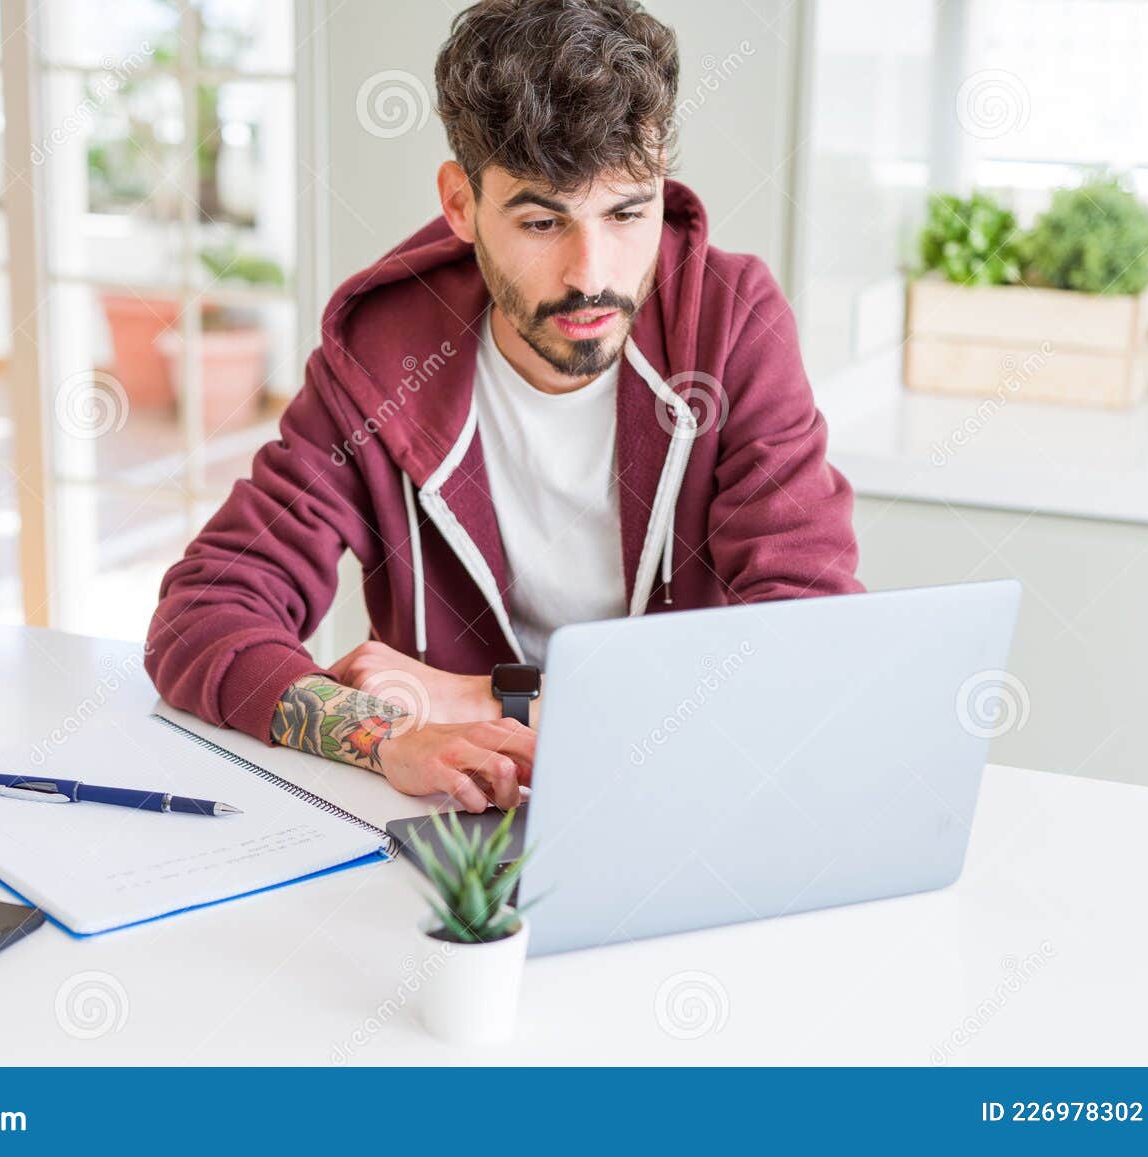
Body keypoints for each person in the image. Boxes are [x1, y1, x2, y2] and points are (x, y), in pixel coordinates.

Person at [145, 0, 861, 814]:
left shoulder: (730, 324)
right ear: (460, 204)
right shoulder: (382, 359)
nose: (592, 273)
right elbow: (201, 614)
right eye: (542, 219)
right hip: (458, 825)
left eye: (627, 213)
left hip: (686, 802)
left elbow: (810, 643)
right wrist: (386, 735)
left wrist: (482, 699)